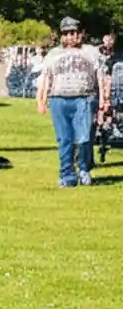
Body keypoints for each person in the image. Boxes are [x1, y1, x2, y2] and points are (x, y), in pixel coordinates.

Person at [37, 17, 108, 187]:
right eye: (67, 33)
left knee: (83, 137)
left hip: (84, 97)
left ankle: (84, 168)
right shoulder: (54, 54)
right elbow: (45, 77)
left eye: (74, 32)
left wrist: (104, 99)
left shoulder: (91, 52)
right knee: (64, 139)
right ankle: (66, 175)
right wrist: (41, 99)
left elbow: (101, 77)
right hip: (59, 98)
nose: (70, 36)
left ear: (80, 34)